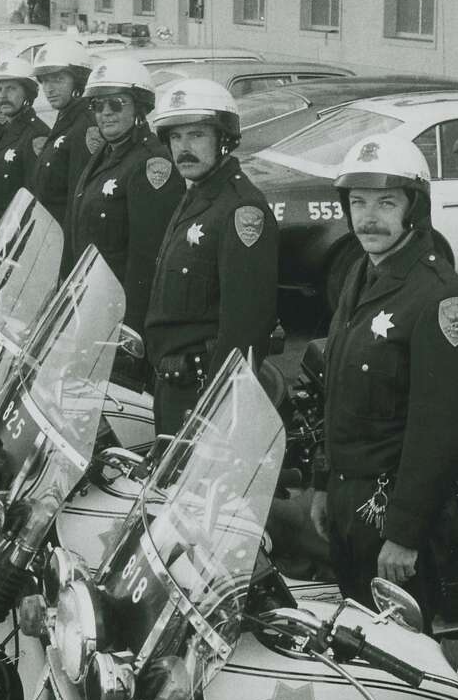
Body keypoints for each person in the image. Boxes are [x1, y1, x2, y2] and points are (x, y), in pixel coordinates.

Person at [309, 133, 458, 623]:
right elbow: (337, 394)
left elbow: (442, 432)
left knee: (402, 658)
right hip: (349, 502)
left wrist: (405, 532)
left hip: (397, 518)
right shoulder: (361, 275)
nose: (368, 216)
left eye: (386, 202)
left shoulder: (442, 300)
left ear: (415, 209)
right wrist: (325, 483)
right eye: (358, 202)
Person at [144, 79, 277, 436]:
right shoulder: (197, 195)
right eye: (175, 137)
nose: (183, 148)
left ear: (224, 140)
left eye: (196, 135)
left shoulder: (241, 209)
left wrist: (216, 409)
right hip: (173, 385)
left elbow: (245, 328)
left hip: (201, 393)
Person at [65, 56, 182, 330]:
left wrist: (128, 327)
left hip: (117, 315)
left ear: (139, 109)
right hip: (89, 302)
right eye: (97, 105)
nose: (105, 112)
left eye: (116, 103)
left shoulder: (151, 163)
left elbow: (146, 260)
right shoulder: (106, 153)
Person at [29, 37, 98, 234]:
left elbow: (78, 199)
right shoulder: (66, 118)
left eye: (58, 79)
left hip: (63, 237)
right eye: (45, 81)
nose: (49, 88)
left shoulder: (86, 125)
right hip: (47, 234)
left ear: (79, 80)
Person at [0, 58, 49, 228]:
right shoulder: (6, 129)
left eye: (11, 88)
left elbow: (34, 196)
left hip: (13, 232)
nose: (3, 95)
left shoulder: (36, 134)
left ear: (27, 94)